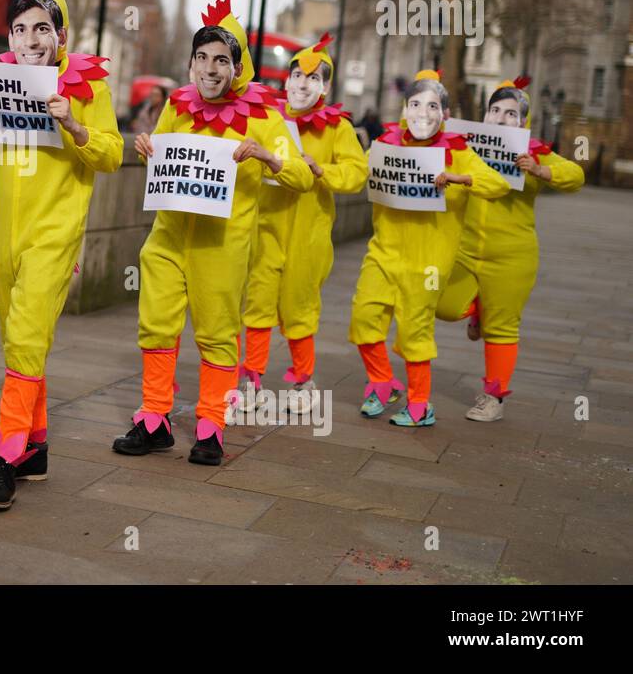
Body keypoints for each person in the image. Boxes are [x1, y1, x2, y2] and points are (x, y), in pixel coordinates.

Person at [0, 0, 123, 511]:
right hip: (2, 234)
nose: (31, 39)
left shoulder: (89, 87)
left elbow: (111, 154)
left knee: (26, 337)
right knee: (19, 338)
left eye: (42, 28)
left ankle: (4, 458)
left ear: (61, 36)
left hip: (54, 233)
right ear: (11, 39)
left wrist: (76, 127)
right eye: (20, 30)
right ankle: (35, 448)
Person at [115, 0, 313, 466]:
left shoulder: (265, 114)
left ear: (238, 67)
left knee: (218, 334)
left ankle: (210, 425)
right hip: (166, 238)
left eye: (221, 59)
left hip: (222, 244)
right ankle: (154, 419)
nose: (209, 68)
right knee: (156, 324)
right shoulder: (177, 106)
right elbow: (166, 158)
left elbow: (303, 177)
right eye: (201, 58)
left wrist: (268, 158)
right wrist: (149, 148)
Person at [350, 69, 510, 427]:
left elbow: (498, 184)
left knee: (415, 333)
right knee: (363, 318)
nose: (423, 112)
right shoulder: (385, 146)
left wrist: (461, 178)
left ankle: (420, 405)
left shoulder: (459, 153)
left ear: (446, 115)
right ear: (405, 109)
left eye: (433, 105)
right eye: (416, 104)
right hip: (383, 253)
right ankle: (381, 382)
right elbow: (352, 174)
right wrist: (308, 170)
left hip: (428, 263)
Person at [434, 76, 584, 421]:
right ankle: (478, 312)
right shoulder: (464, 147)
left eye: (511, 114)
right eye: (495, 110)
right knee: (439, 303)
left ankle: (493, 398)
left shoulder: (534, 153)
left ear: (523, 122)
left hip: (513, 256)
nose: (501, 118)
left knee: (502, 328)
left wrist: (542, 170)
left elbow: (575, 175)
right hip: (464, 250)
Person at [238, 34, 367, 414]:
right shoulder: (268, 117)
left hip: (309, 234)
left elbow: (357, 173)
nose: (301, 84)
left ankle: (303, 380)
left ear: (325, 86)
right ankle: (252, 380)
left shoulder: (337, 128)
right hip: (267, 225)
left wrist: (322, 170)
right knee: (258, 301)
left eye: (312, 79)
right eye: (296, 76)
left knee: (300, 306)